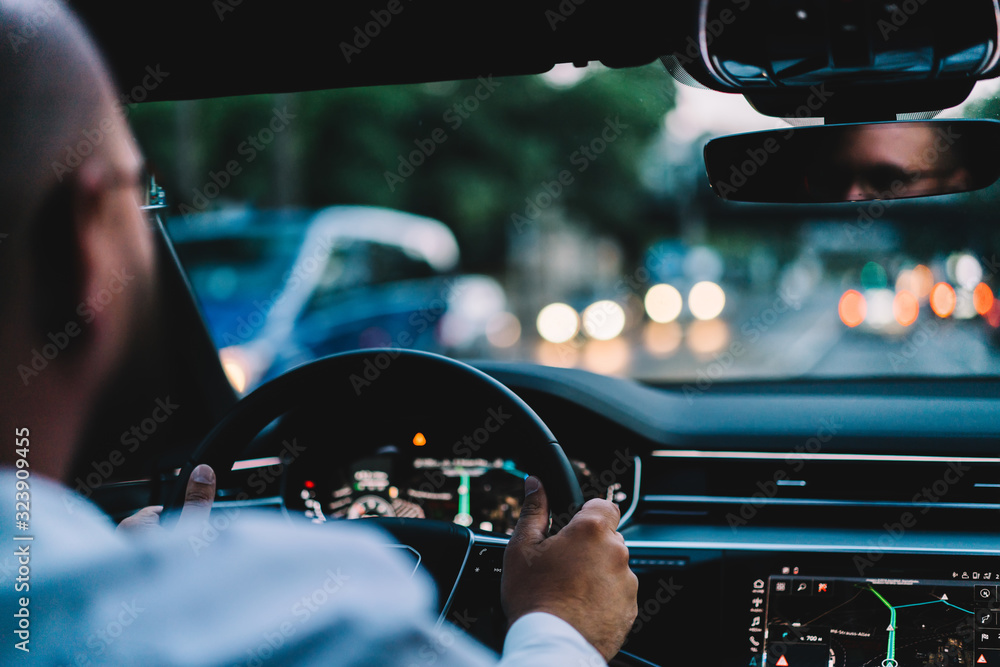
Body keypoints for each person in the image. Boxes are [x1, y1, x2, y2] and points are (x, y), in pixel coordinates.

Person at [0, 0, 638, 664]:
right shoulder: (319, 620)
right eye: (140, 194)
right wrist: (563, 624)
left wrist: (135, 574)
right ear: (82, 253)